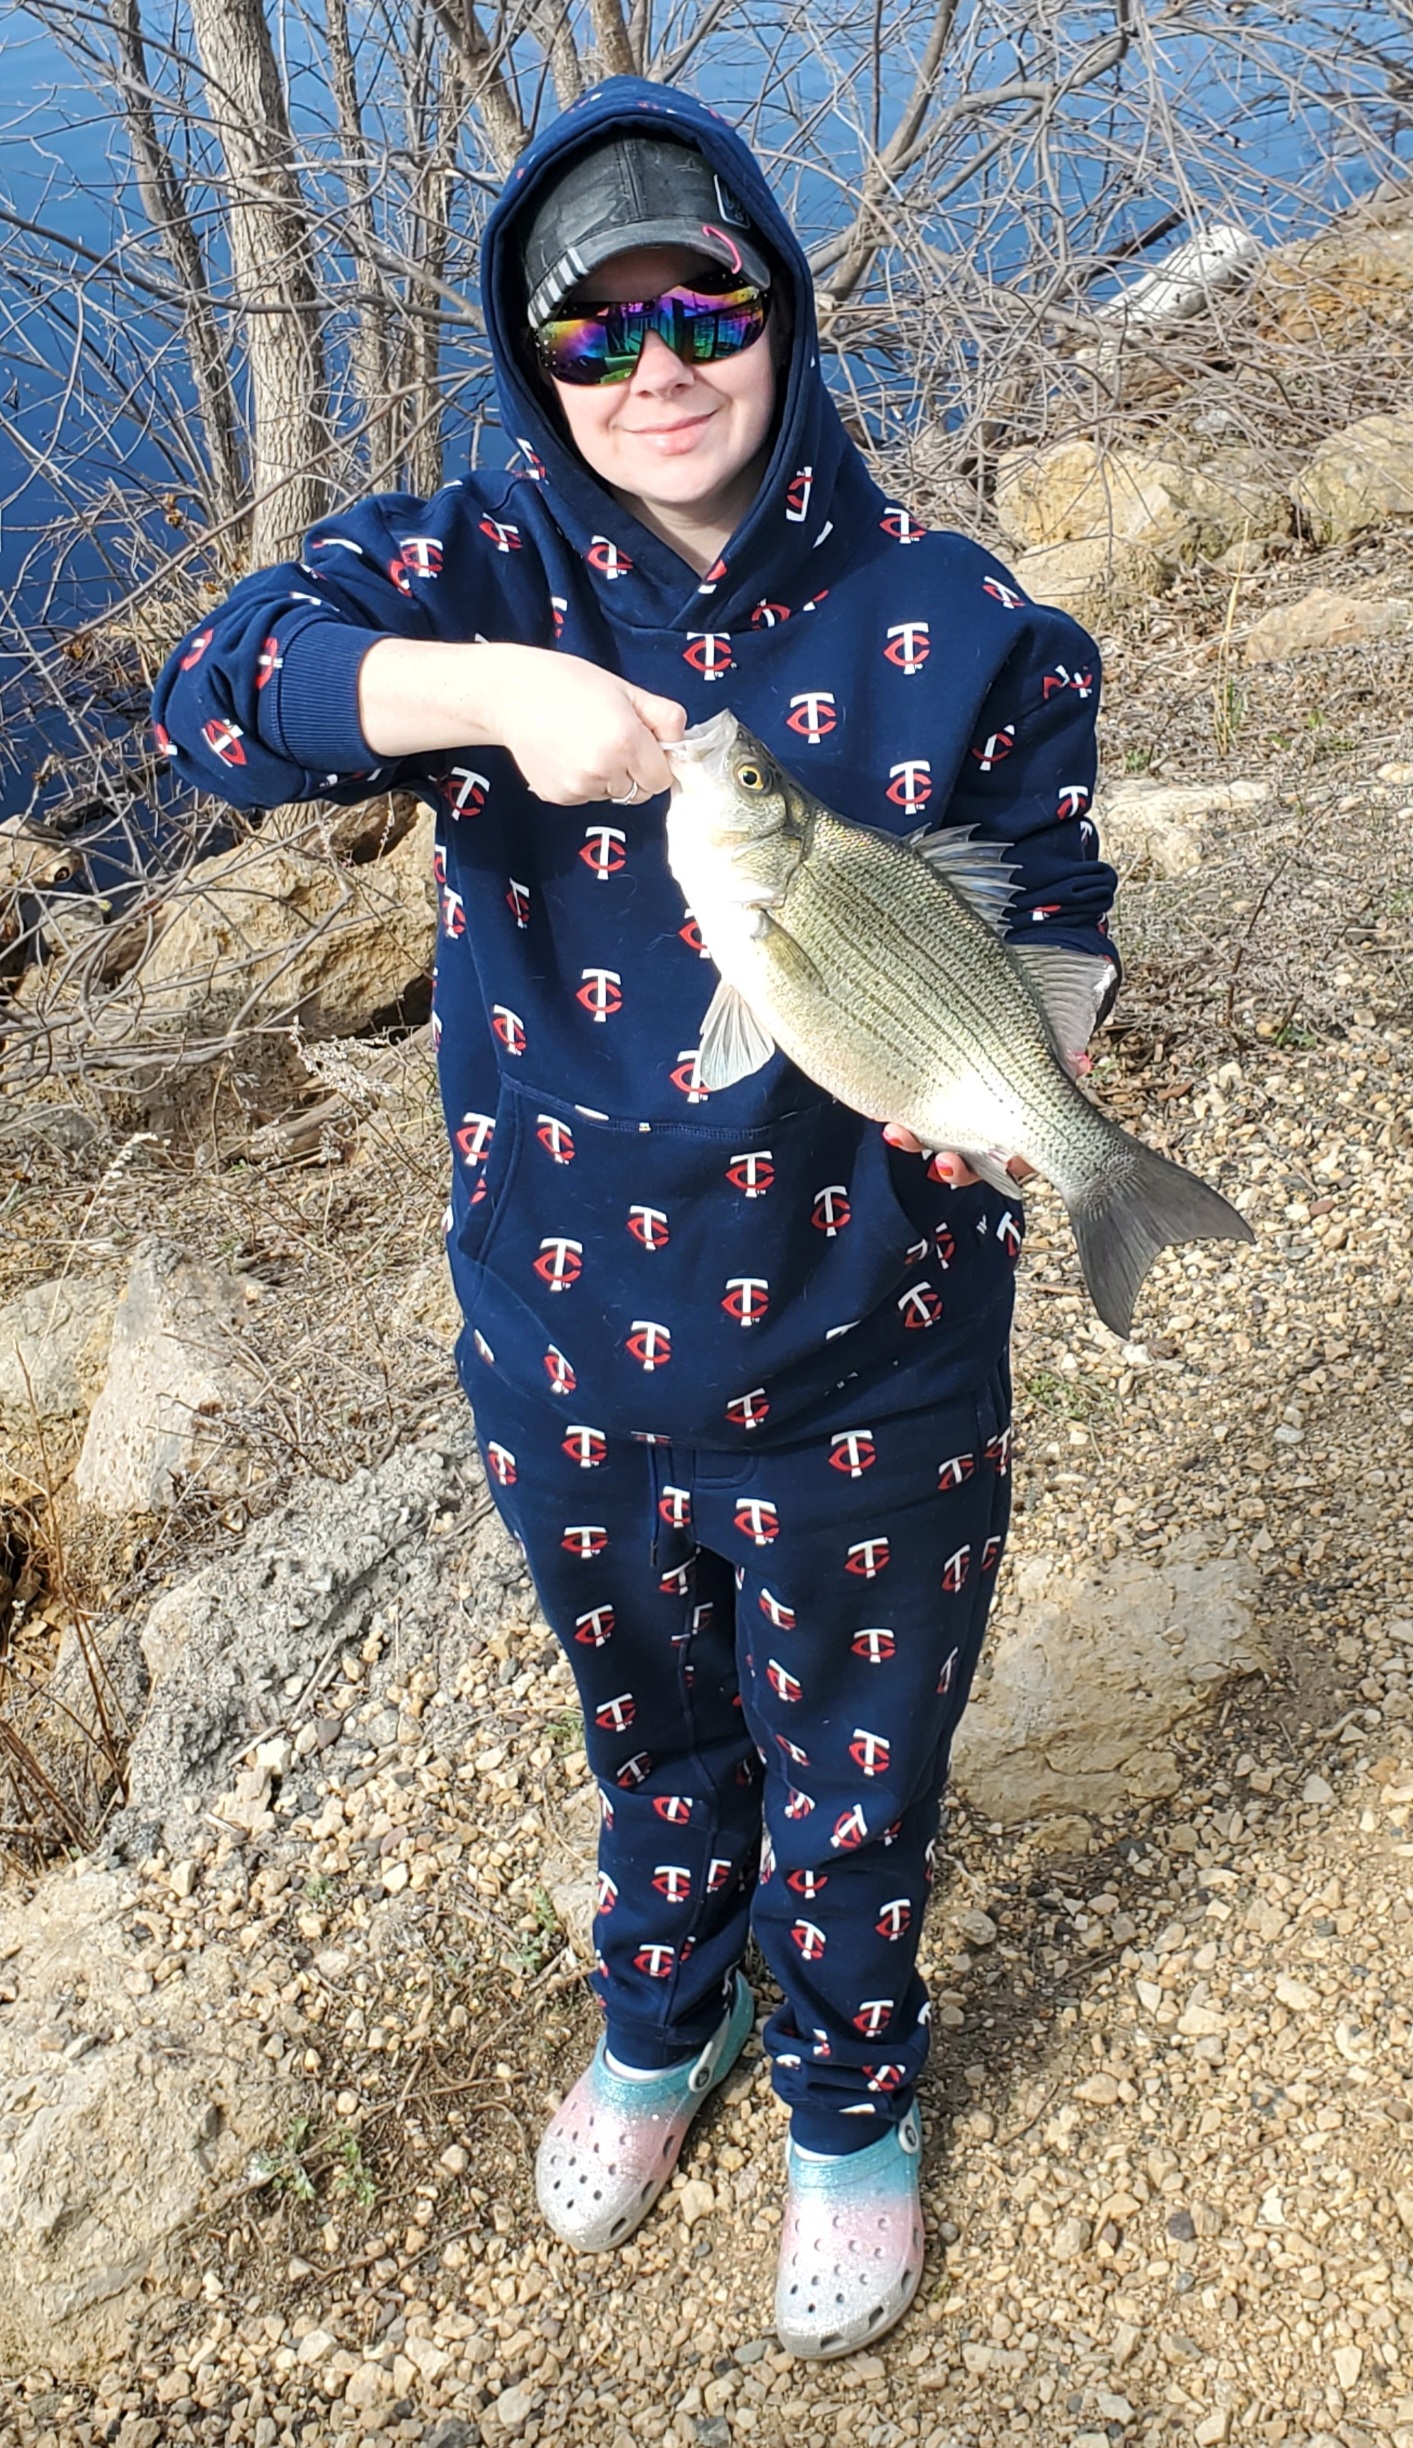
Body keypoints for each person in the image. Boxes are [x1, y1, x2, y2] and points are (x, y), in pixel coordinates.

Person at [153, 76, 1116, 2360]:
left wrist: (1030, 1089)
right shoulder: (470, 571)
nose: (655, 366)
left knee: (858, 1762)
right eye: (594, 334)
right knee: (652, 1743)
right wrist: (467, 695)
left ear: (779, 311)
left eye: (702, 306)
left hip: (868, 1366)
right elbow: (221, 695)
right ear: (534, 364)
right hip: (562, 1362)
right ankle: (660, 2021)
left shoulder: (965, 621)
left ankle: (849, 2107)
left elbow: (1050, 921)